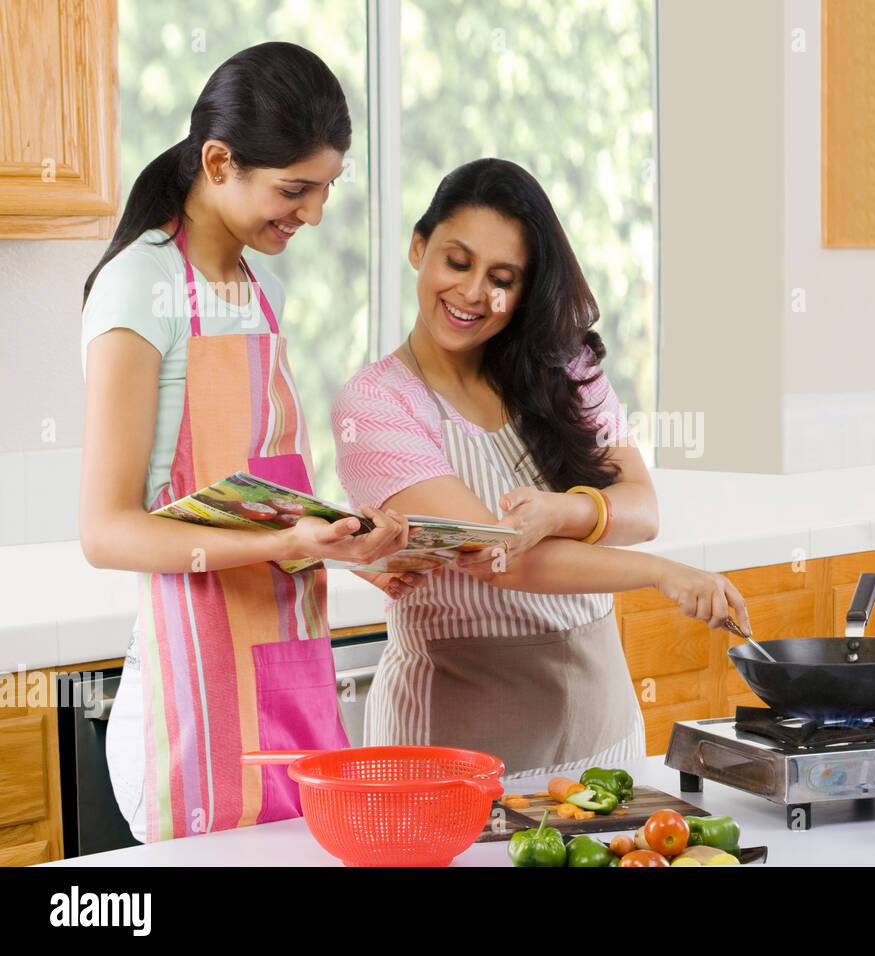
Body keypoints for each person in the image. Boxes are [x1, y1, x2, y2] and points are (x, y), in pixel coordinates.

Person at [80, 42, 410, 843]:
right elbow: (107, 531)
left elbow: (253, 493)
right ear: (219, 161)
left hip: (283, 659)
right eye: (295, 189)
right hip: (191, 685)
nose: (315, 214)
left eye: (328, 188)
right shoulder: (141, 285)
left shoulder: (254, 287)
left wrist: (338, 541)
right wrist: (296, 539)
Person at [331, 158, 751, 779]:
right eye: (457, 261)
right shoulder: (375, 406)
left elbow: (641, 507)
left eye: (503, 277)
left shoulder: (566, 367)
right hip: (457, 740)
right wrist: (660, 576)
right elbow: (499, 559)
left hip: (603, 725)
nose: (474, 292)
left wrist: (563, 509)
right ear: (419, 247)